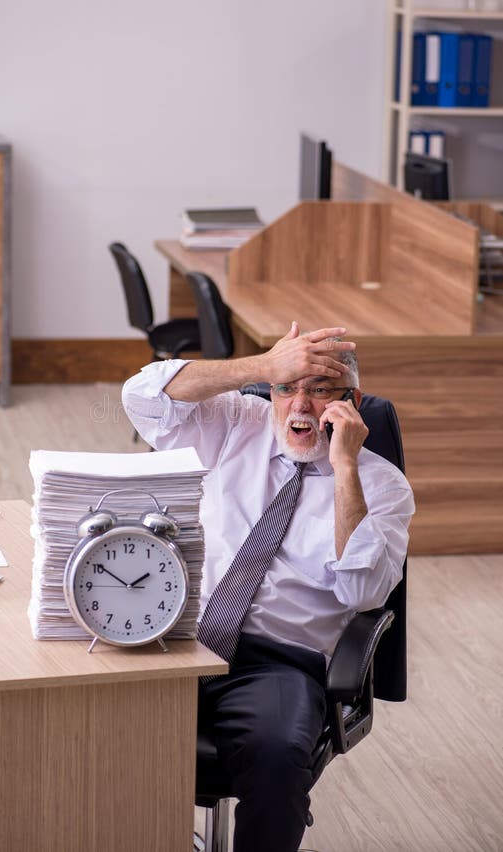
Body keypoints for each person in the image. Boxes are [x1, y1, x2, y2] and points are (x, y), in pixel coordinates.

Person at [122, 323, 414, 852]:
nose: (300, 404)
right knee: (84, 723)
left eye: (320, 389)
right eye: (287, 388)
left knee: (277, 760)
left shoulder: (381, 484)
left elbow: (363, 593)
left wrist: (344, 467)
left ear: (352, 403)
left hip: (279, 662)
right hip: (176, 637)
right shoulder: (238, 421)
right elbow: (140, 397)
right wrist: (260, 367)